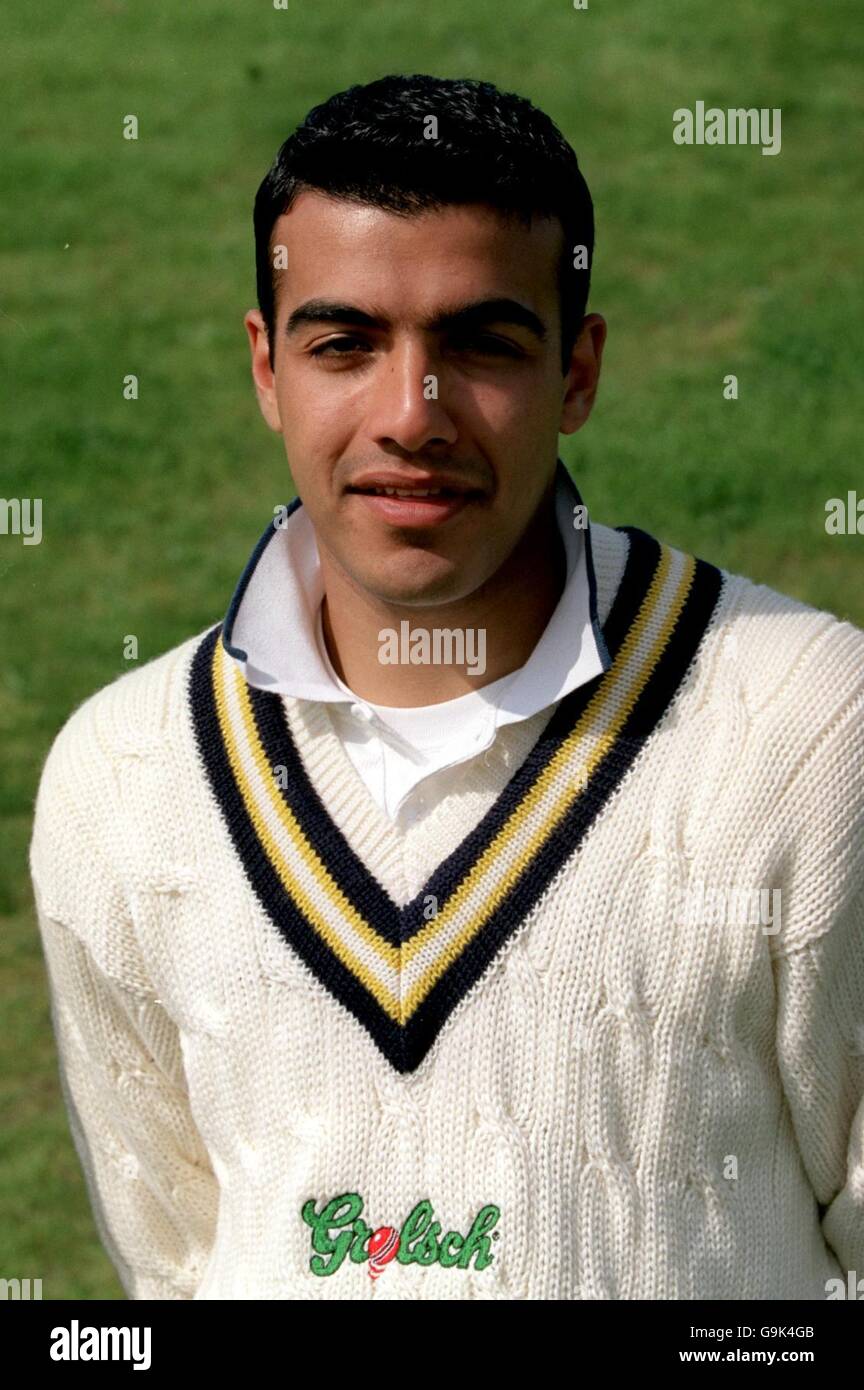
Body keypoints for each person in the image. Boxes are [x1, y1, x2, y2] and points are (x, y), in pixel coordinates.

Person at [30, 74, 864, 1301]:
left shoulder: (810, 728)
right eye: (344, 343)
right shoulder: (119, 775)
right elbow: (179, 1262)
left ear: (578, 370)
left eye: (480, 342)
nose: (411, 416)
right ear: (267, 368)